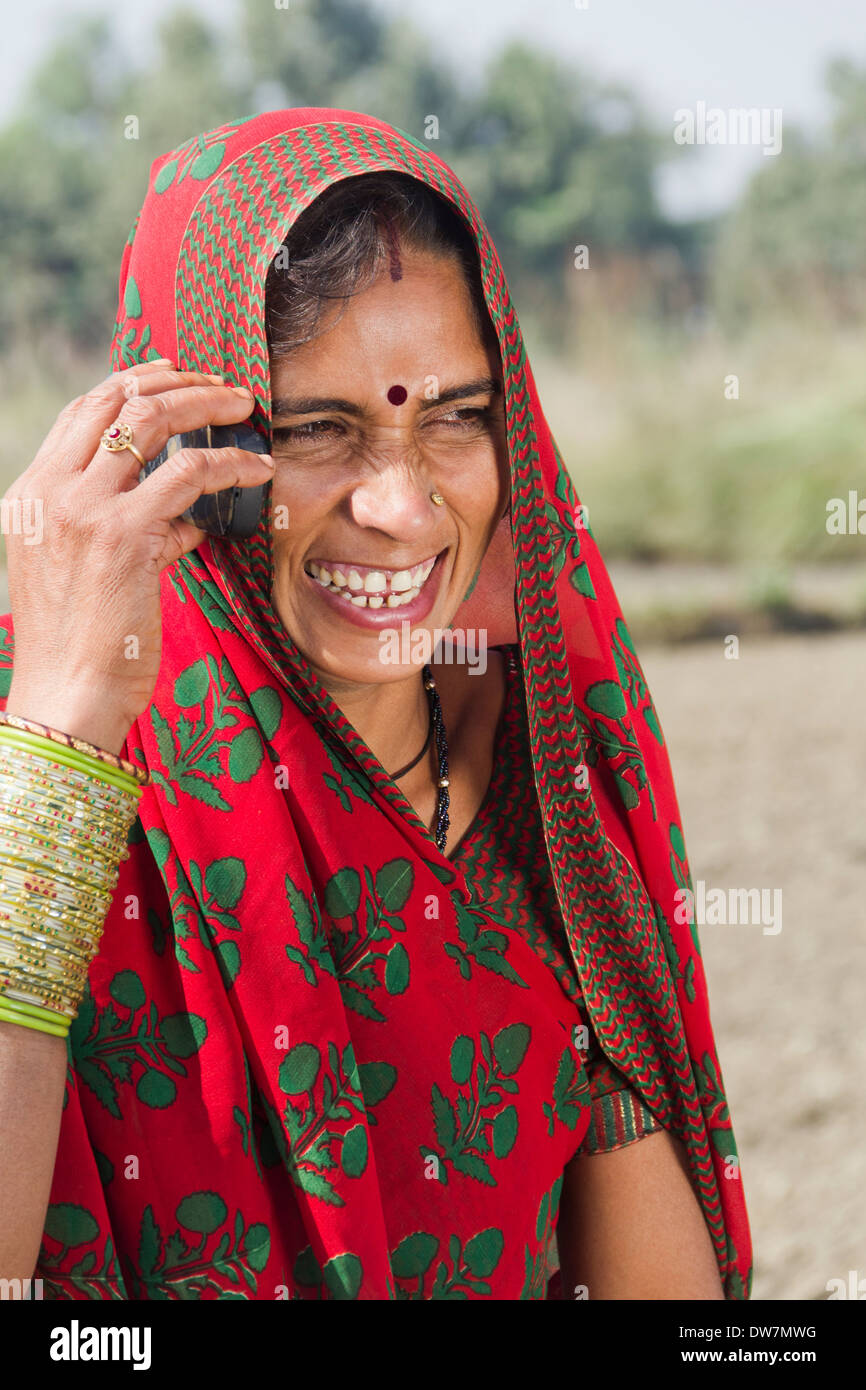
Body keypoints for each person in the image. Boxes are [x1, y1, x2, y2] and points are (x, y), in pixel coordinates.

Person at [0, 107, 752, 1300]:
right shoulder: (51, 777)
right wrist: (59, 730)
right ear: (182, 447)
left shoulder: (541, 796)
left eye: (454, 416)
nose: (400, 509)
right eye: (314, 429)